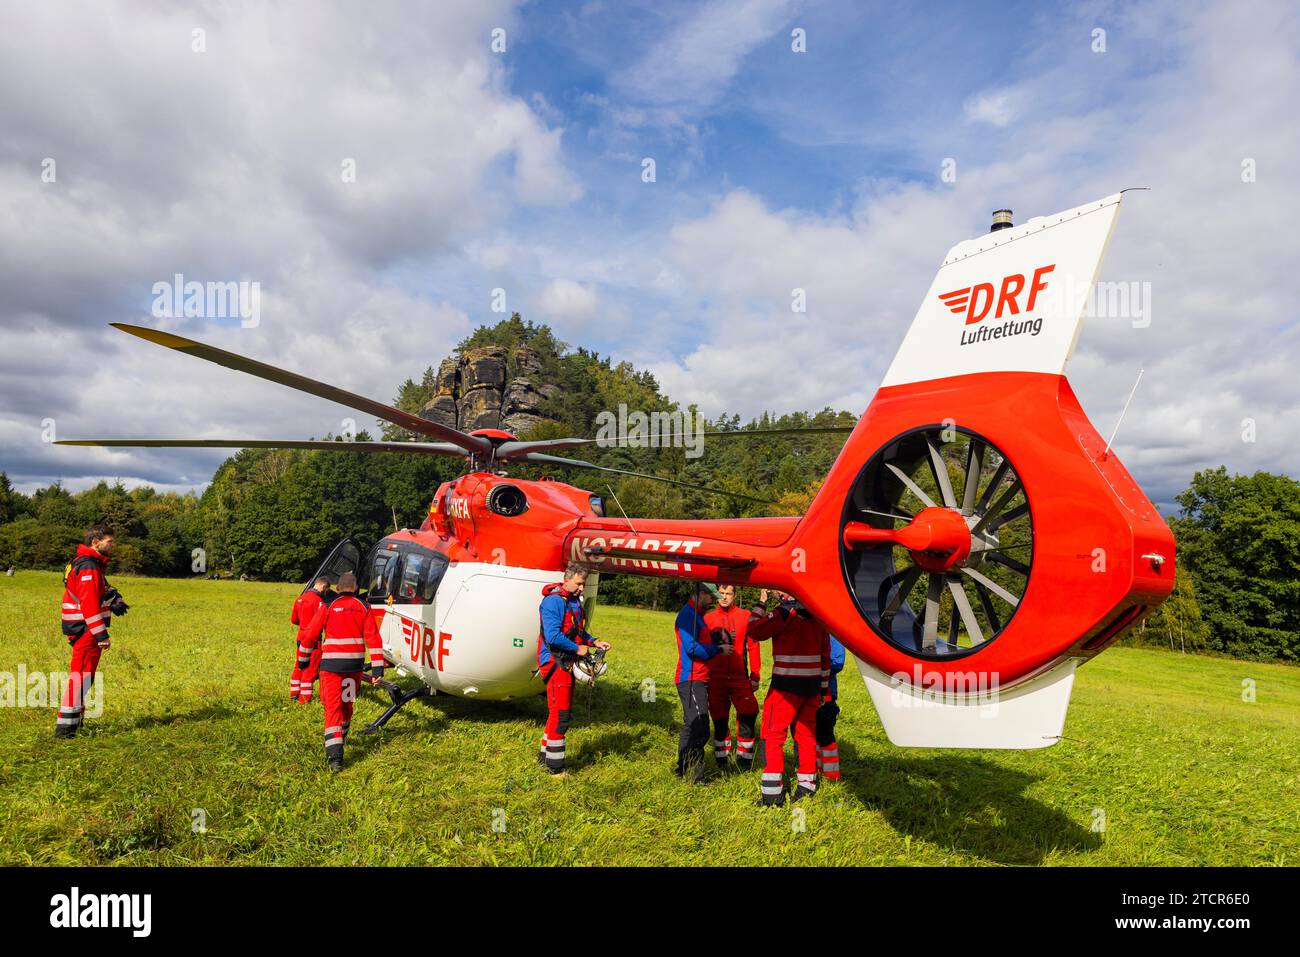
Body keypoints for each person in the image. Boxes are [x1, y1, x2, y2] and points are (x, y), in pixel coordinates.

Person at [747, 591, 830, 806]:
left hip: (785, 687)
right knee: (806, 736)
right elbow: (825, 658)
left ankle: (773, 795)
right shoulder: (819, 615)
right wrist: (822, 691)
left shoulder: (784, 613)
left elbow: (753, 630)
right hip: (811, 687)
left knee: (773, 734)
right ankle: (806, 787)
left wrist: (760, 604)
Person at [298, 571, 383, 771]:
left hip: (331, 668)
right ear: (355, 588)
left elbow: (310, 635)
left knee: (332, 708)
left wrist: (303, 660)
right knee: (347, 706)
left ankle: (335, 757)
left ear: (337, 589)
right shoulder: (364, 606)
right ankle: (341, 738)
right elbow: (373, 638)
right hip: (353, 668)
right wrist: (378, 668)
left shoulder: (328, 605)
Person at [535, 565, 610, 775]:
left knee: (556, 712)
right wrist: (579, 648)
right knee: (562, 716)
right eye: (579, 583)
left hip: (567, 661)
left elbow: (577, 630)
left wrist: (594, 642)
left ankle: (545, 756)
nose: (582, 588)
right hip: (555, 662)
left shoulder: (574, 602)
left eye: (584, 584)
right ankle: (555, 769)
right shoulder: (553, 602)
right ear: (566, 580)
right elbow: (552, 636)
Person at [55, 524, 123, 739]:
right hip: (86, 630)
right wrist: (101, 635)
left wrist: (115, 598)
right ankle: (65, 731)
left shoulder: (89, 563)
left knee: (85, 676)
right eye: (110, 542)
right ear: (96, 542)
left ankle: (76, 722)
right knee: (81, 676)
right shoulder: (88, 567)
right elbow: (89, 605)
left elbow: (99, 589)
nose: (113, 545)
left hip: (83, 629)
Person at [674, 583, 730, 782]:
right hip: (691, 679)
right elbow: (691, 648)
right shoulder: (688, 615)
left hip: (699, 678)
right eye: (710, 597)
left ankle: (682, 771)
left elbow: (701, 642)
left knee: (691, 726)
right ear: (701, 594)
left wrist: (716, 639)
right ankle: (695, 777)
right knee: (700, 726)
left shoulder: (697, 616)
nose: (714, 600)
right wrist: (718, 650)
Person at [703, 583, 761, 770]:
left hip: (739, 677)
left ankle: (744, 759)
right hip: (716, 678)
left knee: (749, 713)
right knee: (719, 718)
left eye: (729, 593)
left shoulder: (745, 616)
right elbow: (703, 649)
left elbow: (753, 646)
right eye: (721, 594)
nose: (725, 597)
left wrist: (755, 675)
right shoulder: (708, 619)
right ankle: (721, 758)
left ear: (735, 596)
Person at [290, 577, 330, 703]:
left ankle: (294, 694)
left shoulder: (300, 599)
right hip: (313, 641)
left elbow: (294, 620)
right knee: (310, 669)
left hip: (300, 638)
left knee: (299, 666)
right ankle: (304, 699)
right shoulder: (319, 603)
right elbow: (323, 622)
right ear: (323, 587)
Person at [817, 635, 847, 781]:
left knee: (825, 735)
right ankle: (812, 771)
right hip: (805, 693)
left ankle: (830, 776)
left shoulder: (831, 633)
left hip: (826, 694)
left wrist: (814, 665)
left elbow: (837, 662)